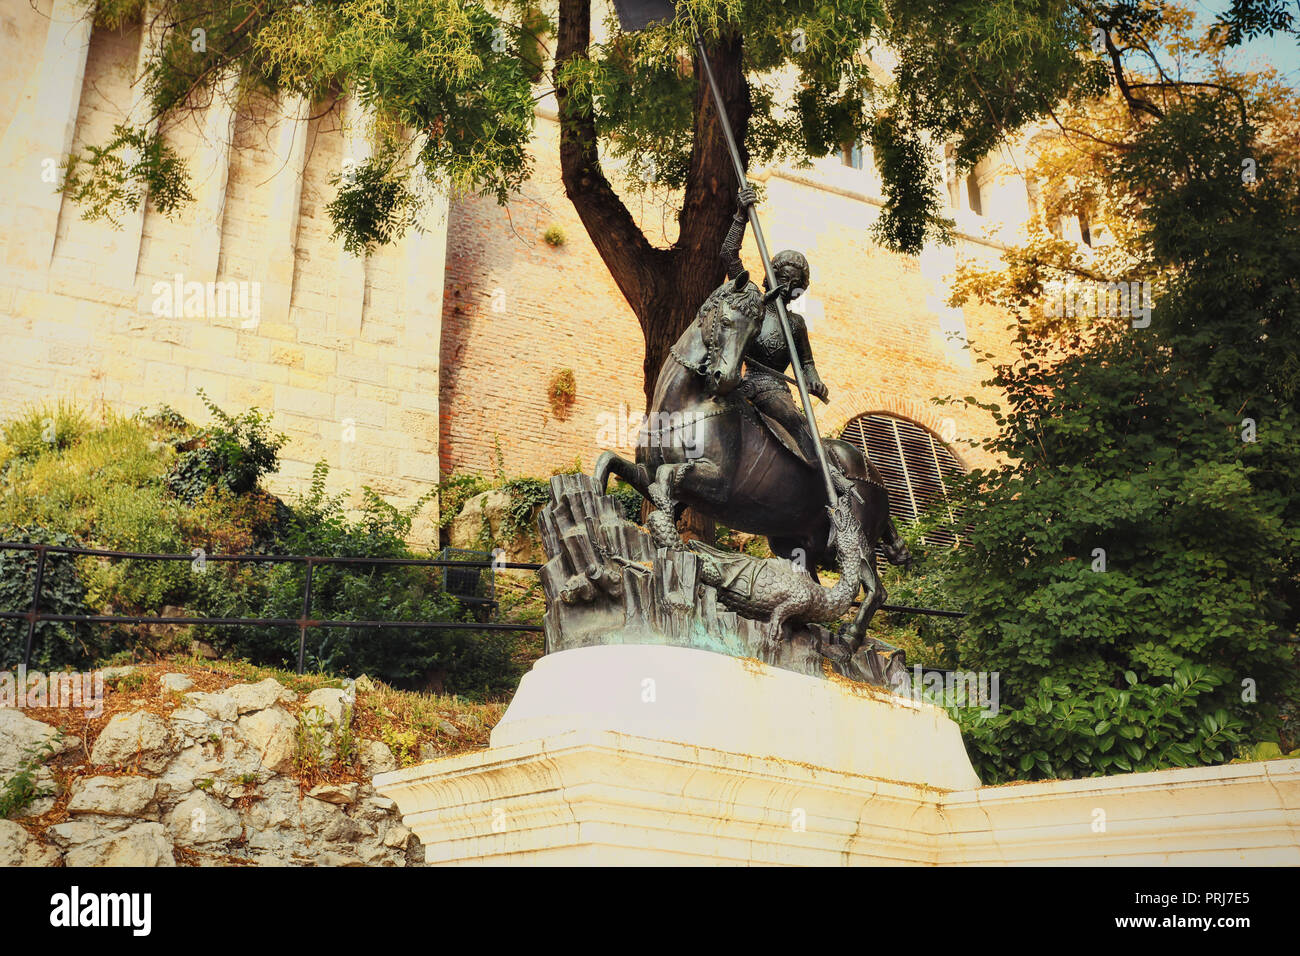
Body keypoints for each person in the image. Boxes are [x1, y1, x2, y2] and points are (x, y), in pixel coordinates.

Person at [720, 186, 829, 463]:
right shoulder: (750, 297)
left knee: (797, 423)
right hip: (735, 379)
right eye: (783, 277)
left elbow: (806, 364)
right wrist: (739, 216)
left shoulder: (795, 323)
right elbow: (729, 255)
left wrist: (814, 380)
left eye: (795, 284)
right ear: (770, 274)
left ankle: (828, 476)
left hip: (773, 389)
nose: (788, 285)